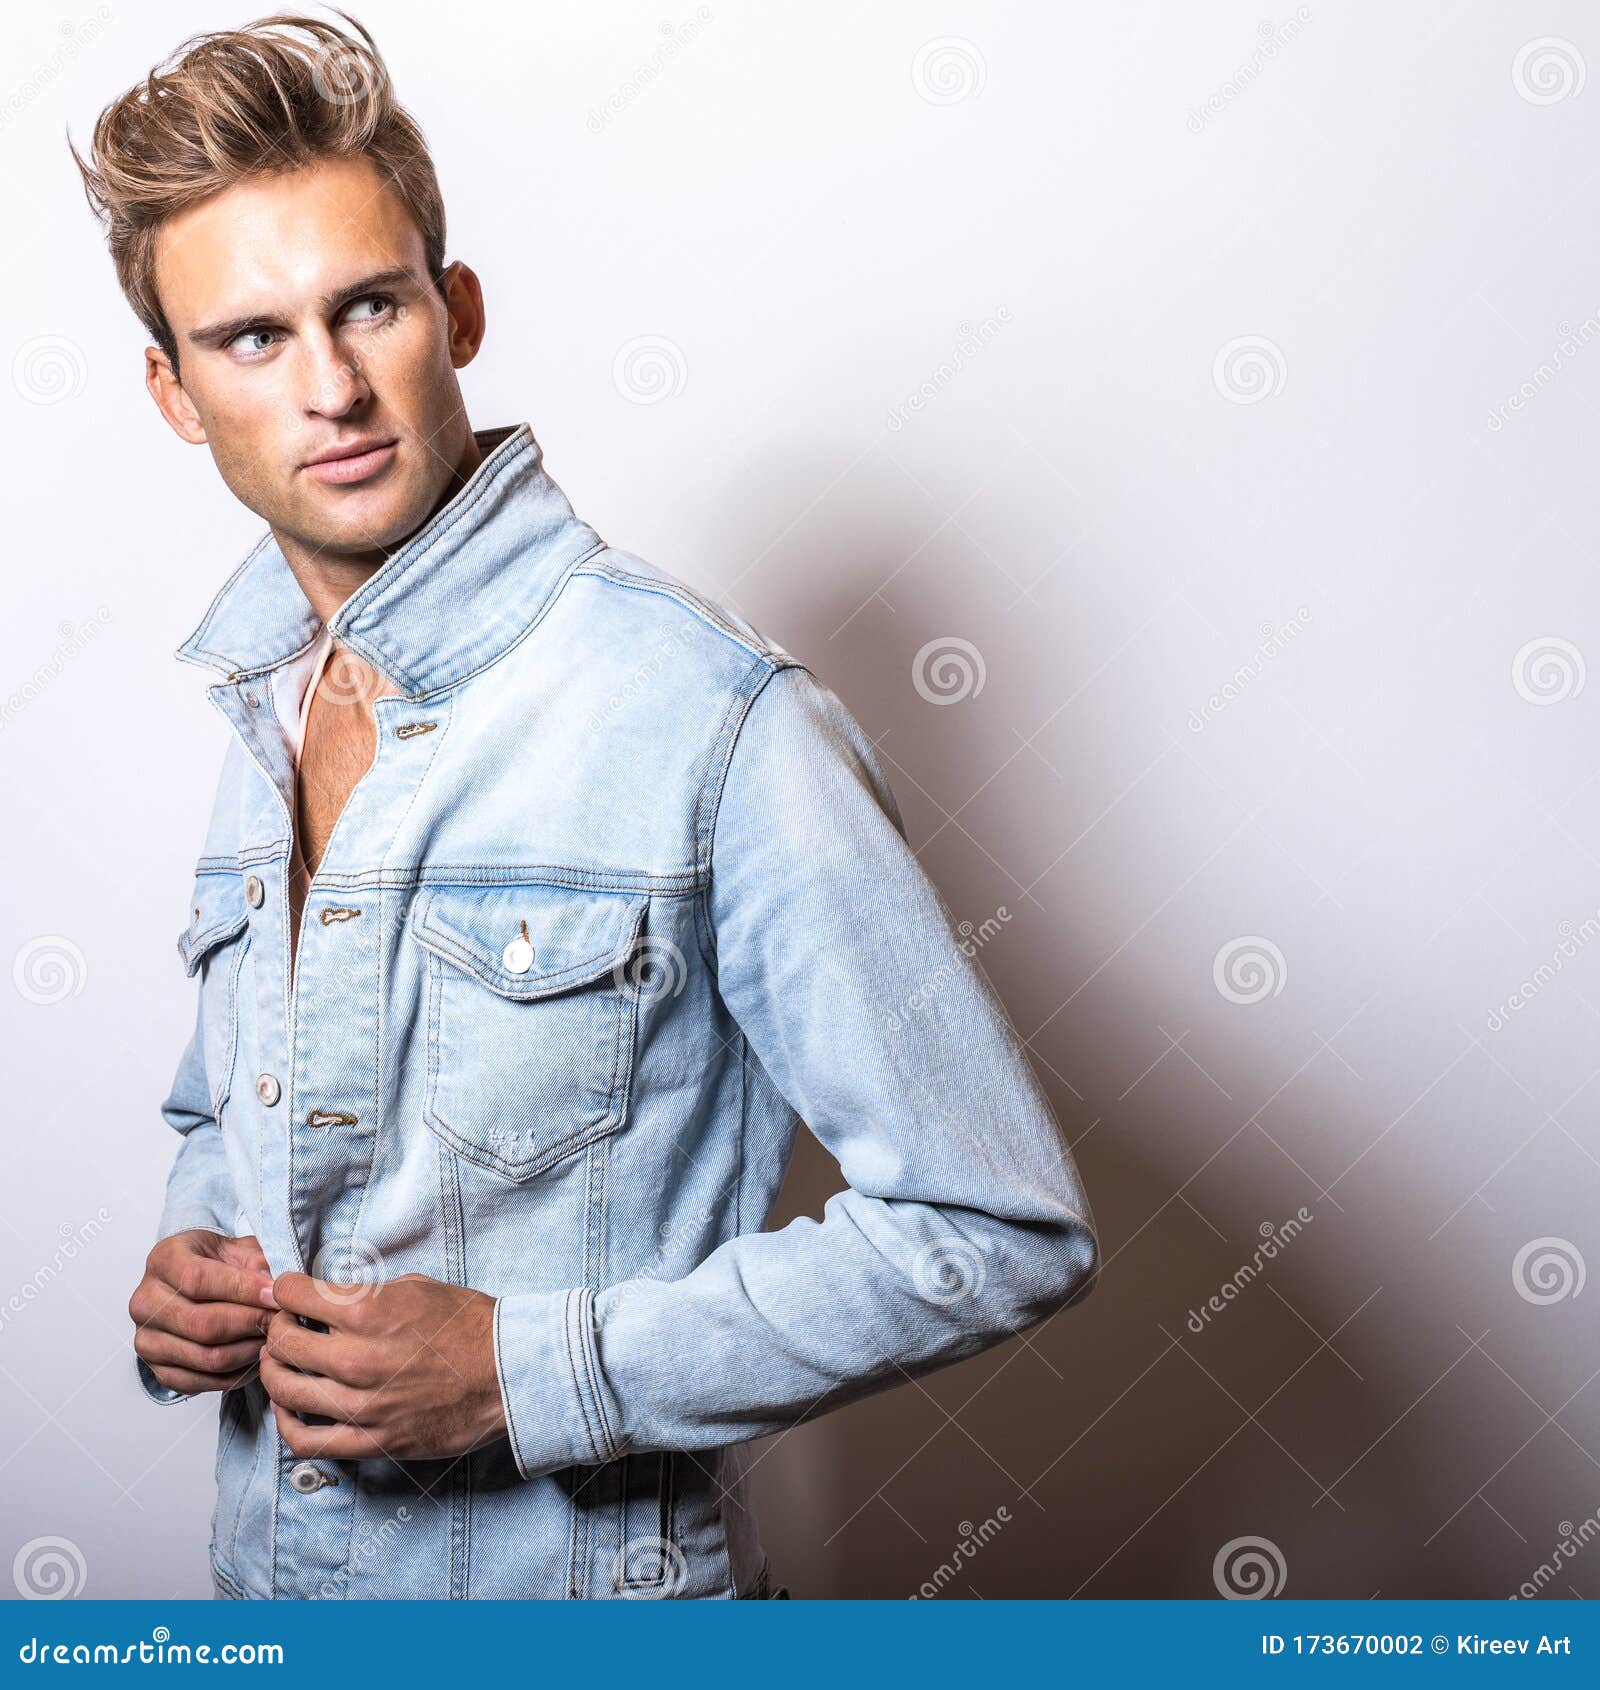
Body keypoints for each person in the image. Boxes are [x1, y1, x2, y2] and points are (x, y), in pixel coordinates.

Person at [73, 10, 1099, 1600]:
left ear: (455, 310)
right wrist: (194, 1260)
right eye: (254, 338)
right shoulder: (266, 703)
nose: (332, 385)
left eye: (370, 306)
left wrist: (528, 1371)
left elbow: (996, 1223)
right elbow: (232, 1112)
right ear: (175, 391)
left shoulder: (706, 715)